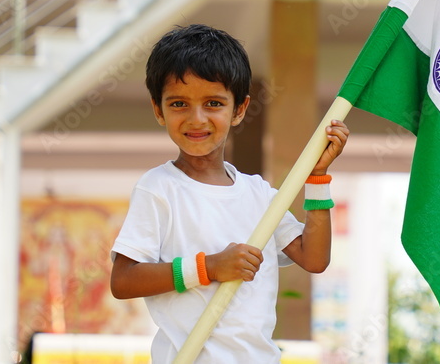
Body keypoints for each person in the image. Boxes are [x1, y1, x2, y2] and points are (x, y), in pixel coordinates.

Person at [110, 24, 349, 363]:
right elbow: (124, 280)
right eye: (179, 103)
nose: (197, 118)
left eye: (213, 103)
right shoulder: (158, 189)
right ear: (158, 109)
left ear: (239, 109)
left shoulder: (260, 195)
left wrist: (318, 177)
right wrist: (209, 267)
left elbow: (314, 258)